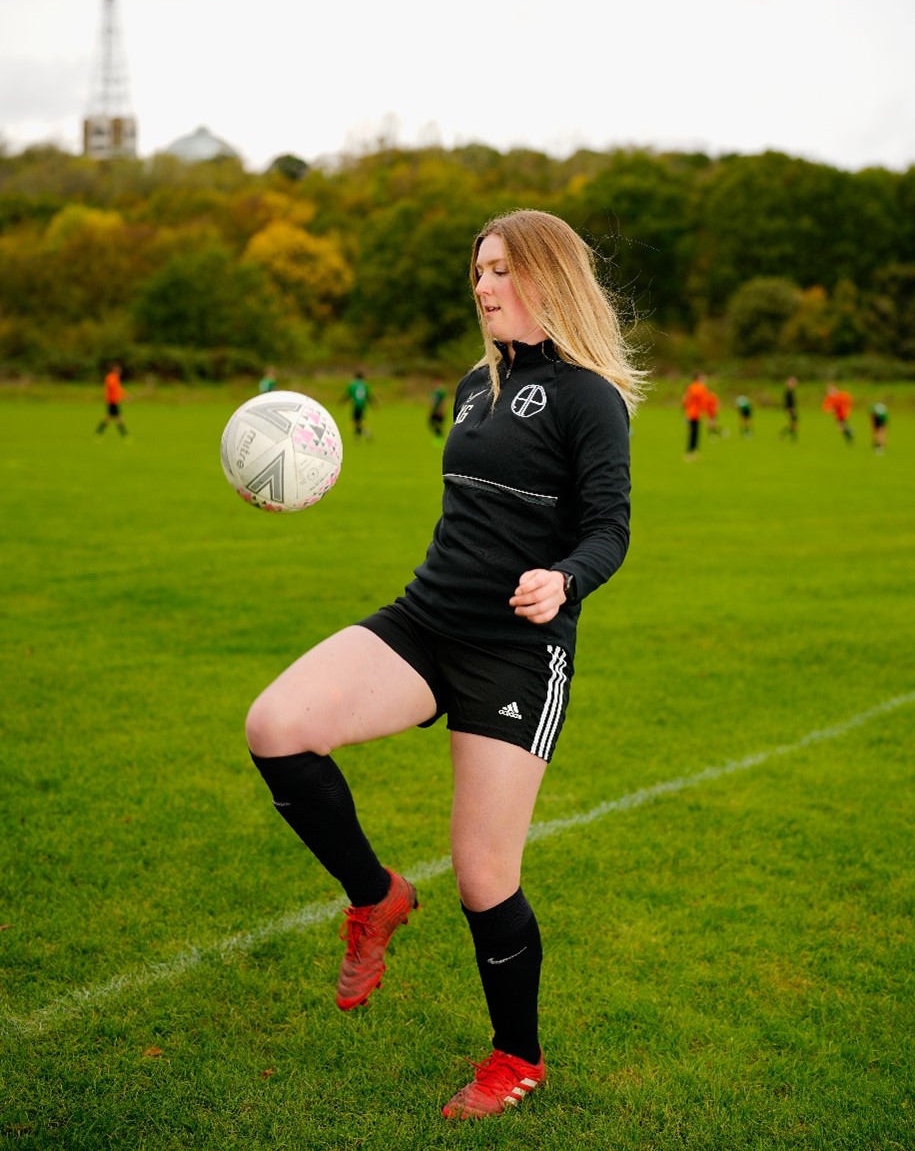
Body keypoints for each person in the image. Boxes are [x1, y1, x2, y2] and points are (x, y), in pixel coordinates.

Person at [245, 209, 643, 1121]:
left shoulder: (590, 399)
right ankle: (375, 898)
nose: (484, 286)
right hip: (427, 620)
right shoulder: (478, 383)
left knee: (483, 875)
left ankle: (517, 1058)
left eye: (500, 269)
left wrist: (565, 579)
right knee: (277, 726)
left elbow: (609, 528)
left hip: (514, 654)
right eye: (478, 273)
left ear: (546, 274)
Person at [94, 363, 129, 439]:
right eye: (118, 370)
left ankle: (98, 432)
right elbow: (113, 389)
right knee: (117, 418)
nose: (120, 372)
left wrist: (125, 396)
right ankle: (125, 435)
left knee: (109, 418)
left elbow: (119, 389)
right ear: (114, 370)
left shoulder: (115, 378)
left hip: (114, 401)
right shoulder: (111, 378)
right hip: (112, 401)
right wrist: (123, 397)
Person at [681, 372, 708, 459]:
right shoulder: (699, 387)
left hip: (692, 413)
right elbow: (702, 401)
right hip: (694, 413)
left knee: (694, 433)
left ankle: (693, 451)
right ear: (698, 378)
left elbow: (685, 399)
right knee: (693, 434)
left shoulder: (691, 387)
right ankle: (689, 452)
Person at [343, 370, 373, 439]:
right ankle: (360, 434)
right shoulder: (364, 385)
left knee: (355, 421)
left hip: (356, 405)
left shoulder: (353, 385)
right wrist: (373, 404)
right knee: (359, 420)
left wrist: (342, 403)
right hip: (362, 405)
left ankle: (363, 433)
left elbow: (347, 395)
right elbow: (368, 396)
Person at [780, 376, 798, 440]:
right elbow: (787, 402)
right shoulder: (788, 391)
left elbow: (792, 402)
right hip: (789, 409)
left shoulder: (792, 391)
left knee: (794, 423)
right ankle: (784, 434)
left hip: (792, 409)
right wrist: (788, 409)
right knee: (793, 423)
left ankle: (787, 435)